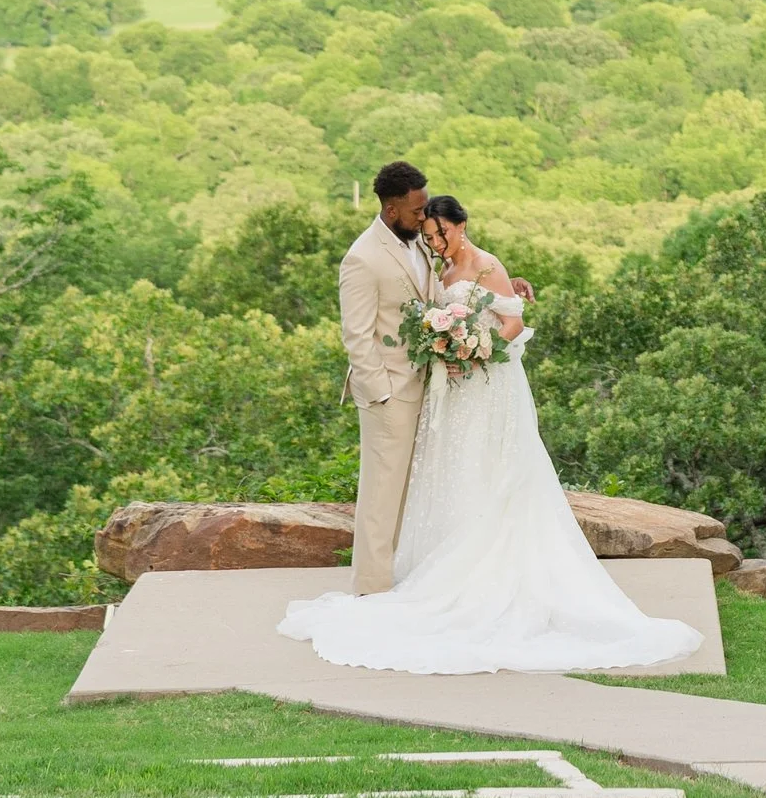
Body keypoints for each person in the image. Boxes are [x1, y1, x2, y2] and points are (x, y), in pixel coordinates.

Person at [283, 193, 698, 678]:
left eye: (442, 233)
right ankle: (439, 570)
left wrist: (476, 350)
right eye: (430, 235)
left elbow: (513, 322)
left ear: (462, 225)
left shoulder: (486, 264)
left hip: (486, 386)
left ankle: (487, 579)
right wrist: (450, 344)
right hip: (451, 392)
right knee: (452, 472)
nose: (436, 242)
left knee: (491, 470)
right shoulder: (437, 267)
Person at [338, 160, 435, 596]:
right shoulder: (362, 258)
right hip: (389, 394)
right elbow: (356, 336)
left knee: (409, 491)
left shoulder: (420, 242)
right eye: (416, 210)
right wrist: (382, 394)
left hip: (424, 387)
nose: (423, 216)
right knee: (381, 493)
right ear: (392, 210)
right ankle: (371, 587)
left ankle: (398, 577)